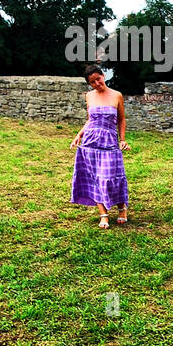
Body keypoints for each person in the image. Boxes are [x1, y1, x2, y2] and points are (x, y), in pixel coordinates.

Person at [72, 65, 131, 228]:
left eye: (98, 79)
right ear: (89, 84)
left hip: (110, 142)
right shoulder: (89, 96)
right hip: (90, 142)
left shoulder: (116, 95)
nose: (97, 84)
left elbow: (121, 119)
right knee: (94, 178)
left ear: (103, 76)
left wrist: (122, 139)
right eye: (92, 82)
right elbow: (90, 119)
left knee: (113, 177)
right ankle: (103, 215)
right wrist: (79, 135)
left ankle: (121, 209)